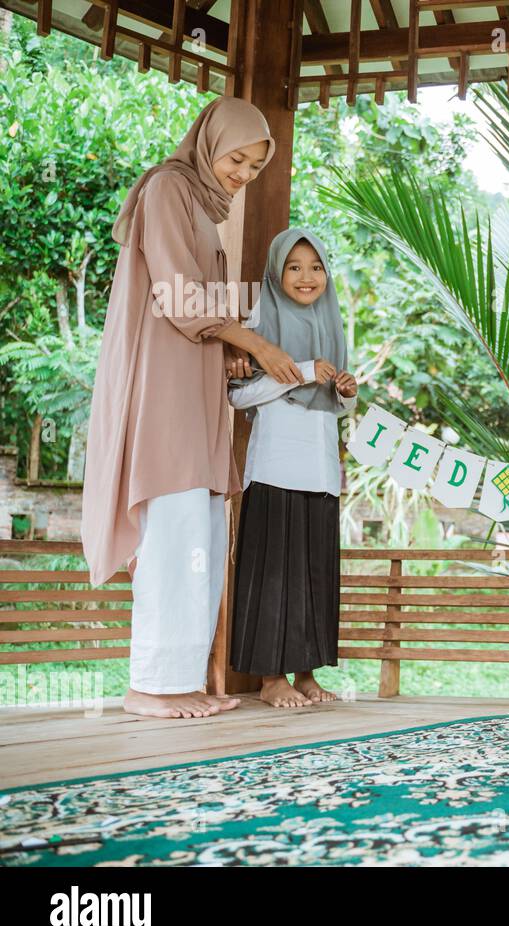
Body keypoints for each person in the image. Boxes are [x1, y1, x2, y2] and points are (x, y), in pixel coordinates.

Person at [82, 97, 306, 720]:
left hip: (198, 383)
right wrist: (254, 341)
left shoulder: (208, 207)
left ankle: (182, 678)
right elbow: (182, 298)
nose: (242, 174)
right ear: (210, 143)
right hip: (165, 387)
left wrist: (229, 352)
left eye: (255, 167)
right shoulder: (167, 189)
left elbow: (207, 309)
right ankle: (150, 684)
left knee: (202, 525)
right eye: (237, 159)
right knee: (174, 525)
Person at [227, 229, 357, 708]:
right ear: (277, 271)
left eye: (316, 267)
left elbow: (333, 407)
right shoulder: (260, 317)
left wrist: (345, 390)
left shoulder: (332, 321)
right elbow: (238, 395)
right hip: (275, 467)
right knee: (275, 574)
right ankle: (270, 679)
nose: (307, 277)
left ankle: (306, 673)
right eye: (295, 267)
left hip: (321, 469)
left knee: (314, 573)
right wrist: (301, 371)